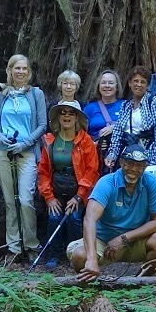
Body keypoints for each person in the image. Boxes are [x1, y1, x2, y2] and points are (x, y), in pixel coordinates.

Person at [69, 144, 156, 282]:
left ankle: (140, 282)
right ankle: (92, 288)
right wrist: (92, 258)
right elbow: (89, 219)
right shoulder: (107, 182)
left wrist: (124, 238)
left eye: (139, 165)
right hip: (103, 240)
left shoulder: (151, 182)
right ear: (121, 162)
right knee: (80, 256)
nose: (134, 169)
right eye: (129, 164)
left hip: (135, 241)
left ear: (145, 166)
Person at [0, 54, 47, 258]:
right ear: (10, 71)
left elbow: (43, 125)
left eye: (24, 69)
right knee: (9, 201)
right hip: (4, 153)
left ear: (28, 72)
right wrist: (0, 138)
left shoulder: (35, 95)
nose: (21, 72)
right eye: (17, 68)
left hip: (27, 152)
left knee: (25, 199)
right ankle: (14, 247)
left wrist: (25, 143)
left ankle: (31, 245)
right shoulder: (3, 94)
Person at [37, 100, 100, 268]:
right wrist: (49, 197)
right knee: (54, 217)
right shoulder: (50, 141)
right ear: (58, 117)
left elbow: (92, 170)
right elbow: (43, 171)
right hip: (56, 190)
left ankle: (75, 254)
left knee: (73, 218)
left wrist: (79, 197)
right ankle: (54, 254)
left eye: (71, 113)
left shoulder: (85, 141)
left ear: (77, 118)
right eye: (63, 112)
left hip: (78, 191)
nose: (66, 116)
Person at [105, 66, 156, 167]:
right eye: (135, 81)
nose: (138, 85)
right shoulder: (125, 105)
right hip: (126, 158)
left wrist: (153, 164)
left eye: (142, 82)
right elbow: (118, 134)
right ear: (130, 83)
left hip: (147, 158)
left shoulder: (154, 103)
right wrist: (112, 155)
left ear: (147, 85)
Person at [82, 70, 124, 174]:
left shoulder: (125, 106)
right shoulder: (90, 108)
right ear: (98, 86)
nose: (107, 86)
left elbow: (134, 129)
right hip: (95, 157)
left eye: (110, 83)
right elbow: (81, 135)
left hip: (120, 157)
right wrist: (94, 144)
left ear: (117, 86)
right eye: (103, 83)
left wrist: (115, 127)